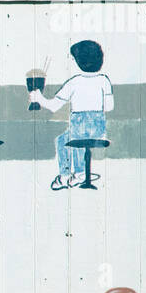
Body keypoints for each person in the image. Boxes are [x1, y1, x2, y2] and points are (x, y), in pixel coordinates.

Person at [29, 39, 113, 190]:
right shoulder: (104, 81)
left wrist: (38, 98)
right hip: (99, 130)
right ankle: (80, 173)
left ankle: (65, 176)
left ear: (79, 61)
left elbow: (54, 106)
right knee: (75, 136)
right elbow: (109, 106)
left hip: (78, 129)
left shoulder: (74, 82)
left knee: (63, 140)